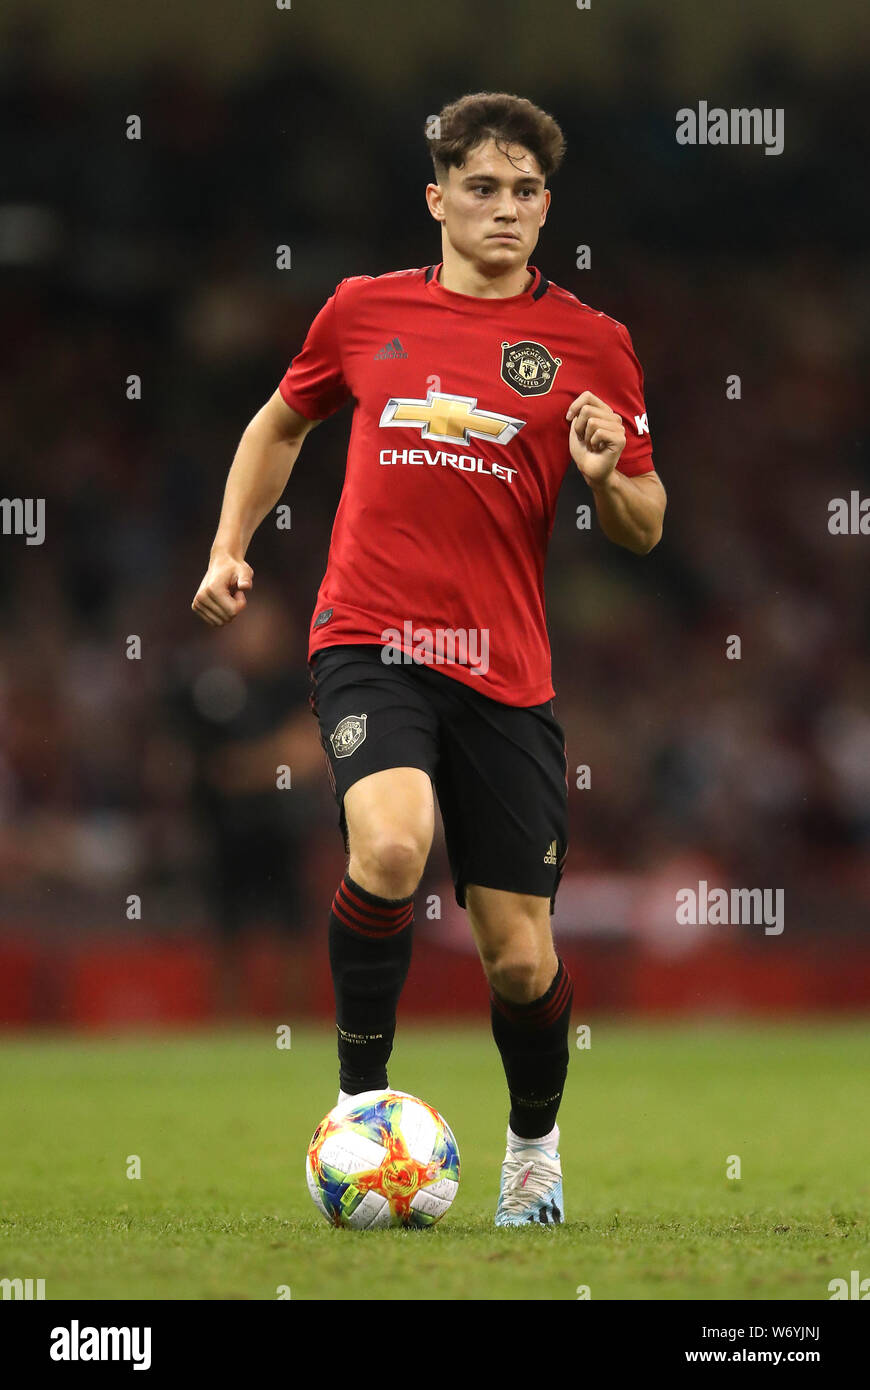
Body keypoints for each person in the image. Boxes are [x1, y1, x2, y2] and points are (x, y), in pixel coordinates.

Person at [193, 91, 666, 1225]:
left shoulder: (593, 345)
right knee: (393, 846)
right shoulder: (361, 312)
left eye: (525, 192)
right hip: (373, 640)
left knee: (517, 959)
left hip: (507, 671)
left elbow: (648, 521)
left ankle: (533, 1155)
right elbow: (278, 424)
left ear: (547, 208)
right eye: (482, 187)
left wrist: (607, 476)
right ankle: (363, 1108)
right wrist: (228, 547)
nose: (504, 208)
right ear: (438, 197)